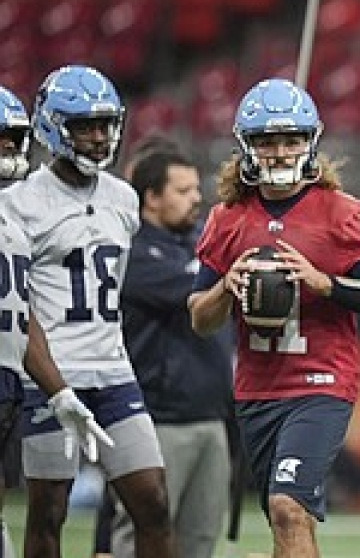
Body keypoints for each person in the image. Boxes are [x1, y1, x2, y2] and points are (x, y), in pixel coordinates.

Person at [187, 78, 360, 558]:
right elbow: (199, 318)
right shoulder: (227, 217)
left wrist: (324, 282)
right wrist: (227, 285)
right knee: (288, 519)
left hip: (322, 384)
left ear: (311, 142)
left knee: (287, 506)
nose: (280, 152)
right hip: (257, 389)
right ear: (247, 147)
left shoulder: (344, 214)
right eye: (267, 141)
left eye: (291, 140)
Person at [8, 66, 174, 558]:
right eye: (85, 126)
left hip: (114, 372)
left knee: (153, 503)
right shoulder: (19, 203)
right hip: (50, 372)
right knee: (48, 513)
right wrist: (56, 389)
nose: (100, 137)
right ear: (53, 126)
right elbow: (21, 308)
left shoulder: (123, 198)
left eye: (105, 125)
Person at [100, 147, 234, 558]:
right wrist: (230, 275)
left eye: (196, 188)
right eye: (183, 190)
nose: (196, 197)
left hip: (210, 417)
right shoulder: (132, 250)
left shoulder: (198, 245)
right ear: (152, 197)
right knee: (142, 532)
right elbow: (192, 289)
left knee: (199, 541)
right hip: (158, 418)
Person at [0, 84, 113, 556]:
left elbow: (20, 314)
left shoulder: (9, 215)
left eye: (13, 136)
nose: (7, 146)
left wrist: (59, 391)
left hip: (7, 381)